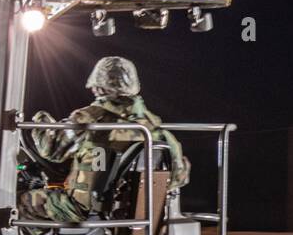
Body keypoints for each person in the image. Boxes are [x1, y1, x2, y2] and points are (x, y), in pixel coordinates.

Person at [19, 57, 190, 224]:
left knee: (22, 202)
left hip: (83, 210)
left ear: (100, 86)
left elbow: (52, 151)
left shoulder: (89, 119)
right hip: (134, 215)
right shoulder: (155, 129)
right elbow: (178, 178)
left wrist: (41, 123)